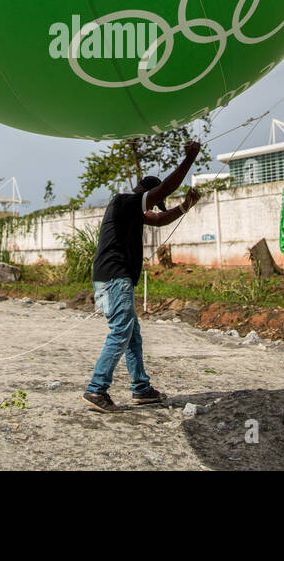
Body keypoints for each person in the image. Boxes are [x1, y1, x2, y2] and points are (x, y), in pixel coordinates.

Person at [83, 140, 203, 413]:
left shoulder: (132, 212)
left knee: (132, 336)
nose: (153, 208)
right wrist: (189, 158)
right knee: (121, 332)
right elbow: (166, 188)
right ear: (146, 193)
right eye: (154, 201)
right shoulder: (124, 201)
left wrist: (185, 206)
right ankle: (96, 389)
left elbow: (160, 220)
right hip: (115, 278)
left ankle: (141, 389)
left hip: (114, 279)